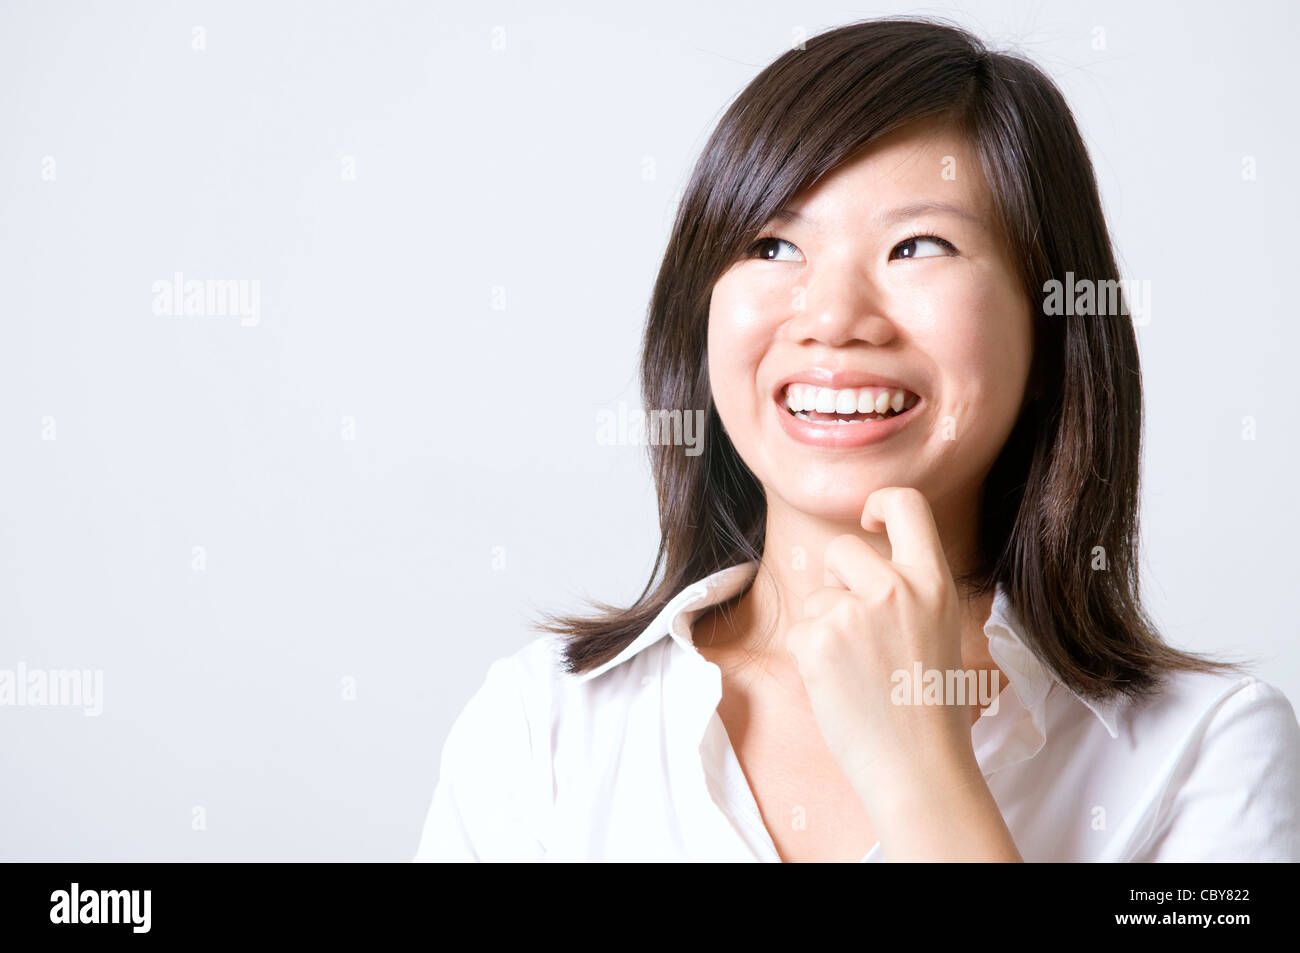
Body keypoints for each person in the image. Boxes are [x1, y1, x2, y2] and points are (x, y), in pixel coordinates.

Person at [413, 17, 1300, 862]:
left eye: (917, 246)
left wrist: (919, 764)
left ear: (1049, 326)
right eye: (772, 246)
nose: (833, 318)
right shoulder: (542, 732)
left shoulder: (1209, 752)